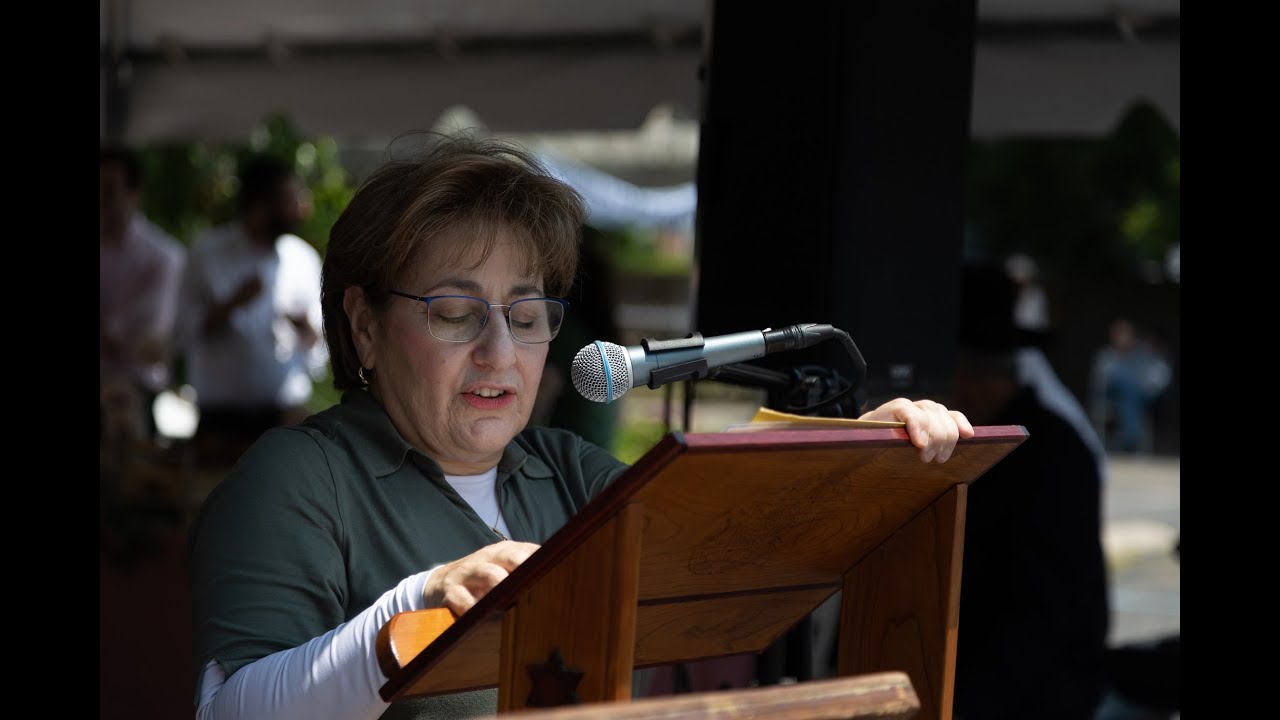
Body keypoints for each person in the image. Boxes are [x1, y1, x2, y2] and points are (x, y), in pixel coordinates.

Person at [187, 132, 976, 720]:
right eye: (457, 313)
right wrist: (417, 605)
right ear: (363, 325)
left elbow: (742, 543)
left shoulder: (565, 468)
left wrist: (861, 461)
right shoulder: (296, 478)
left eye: (527, 316)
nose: (501, 351)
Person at [950, 263, 1110, 720]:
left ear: (964, 373)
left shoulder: (1040, 449)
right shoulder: (1041, 435)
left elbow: (1044, 605)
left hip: (1027, 694)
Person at [173, 153, 327, 465]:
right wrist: (232, 304)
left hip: (285, 417)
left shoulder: (302, 259)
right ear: (261, 204)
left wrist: (304, 328)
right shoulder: (208, 254)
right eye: (289, 199)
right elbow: (181, 334)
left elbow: (320, 347)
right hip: (222, 422)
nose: (299, 208)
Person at [100, 144, 187, 448]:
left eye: (110, 189)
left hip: (139, 391)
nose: (102, 199)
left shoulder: (163, 256)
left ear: (134, 192)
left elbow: (148, 342)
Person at [1088, 317, 1171, 453]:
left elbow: (1158, 378)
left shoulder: (1140, 356)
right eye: (1119, 334)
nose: (1123, 338)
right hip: (1111, 395)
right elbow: (1100, 382)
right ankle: (1130, 441)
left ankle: (1128, 441)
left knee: (1133, 395)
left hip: (1138, 398)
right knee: (1129, 388)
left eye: (1126, 334)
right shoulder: (1106, 356)